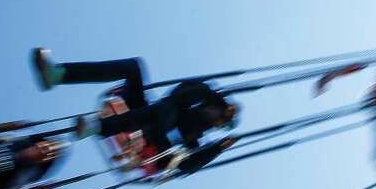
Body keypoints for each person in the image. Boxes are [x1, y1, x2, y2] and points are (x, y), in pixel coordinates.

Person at [31, 48, 238, 175]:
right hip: (150, 112)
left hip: (154, 141)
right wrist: (214, 96)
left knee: (165, 111)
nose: (213, 111)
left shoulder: (194, 139)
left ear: (218, 124)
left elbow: (186, 167)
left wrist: (218, 148)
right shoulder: (195, 99)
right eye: (216, 107)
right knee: (134, 67)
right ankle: (57, 74)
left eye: (218, 115)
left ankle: (98, 127)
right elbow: (181, 92)